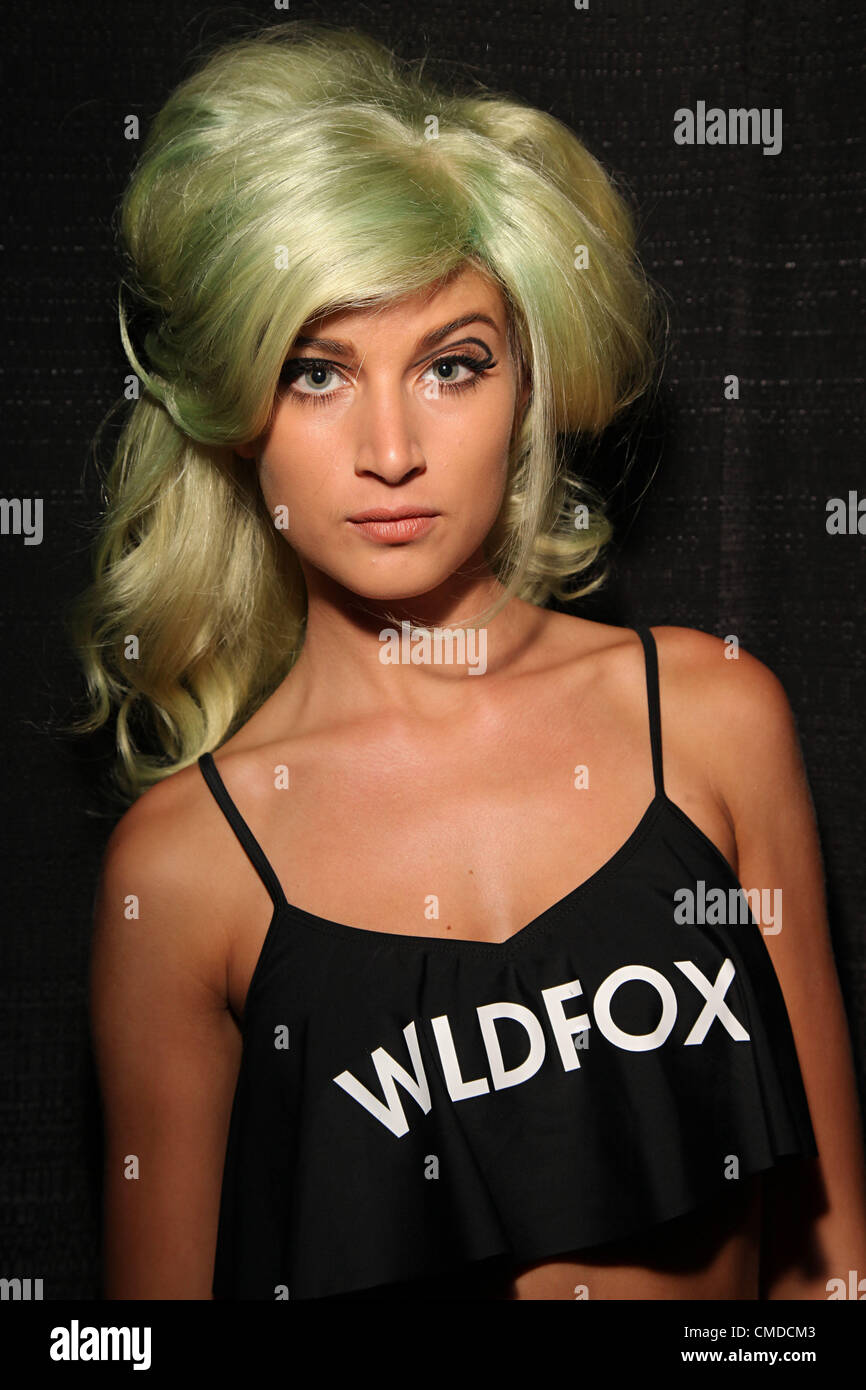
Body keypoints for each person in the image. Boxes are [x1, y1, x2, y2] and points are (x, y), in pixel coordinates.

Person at [68, 20, 866, 1300]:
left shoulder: (713, 719)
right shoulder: (182, 871)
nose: (390, 446)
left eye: (451, 366)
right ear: (231, 413)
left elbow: (831, 1267)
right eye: (315, 372)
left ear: (529, 381)